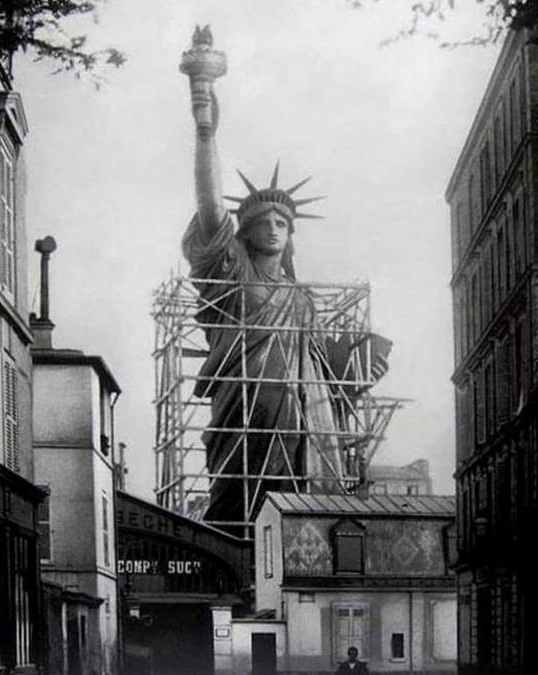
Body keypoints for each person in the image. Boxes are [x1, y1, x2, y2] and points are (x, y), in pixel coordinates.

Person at [179, 28, 379, 533]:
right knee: (239, 496)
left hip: (303, 413)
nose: (273, 228)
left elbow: (323, 369)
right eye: (263, 221)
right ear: (244, 232)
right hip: (247, 405)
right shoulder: (232, 270)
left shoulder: (301, 298)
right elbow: (208, 207)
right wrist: (205, 127)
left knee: (299, 503)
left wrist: (356, 359)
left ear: (290, 236)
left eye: (282, 223)